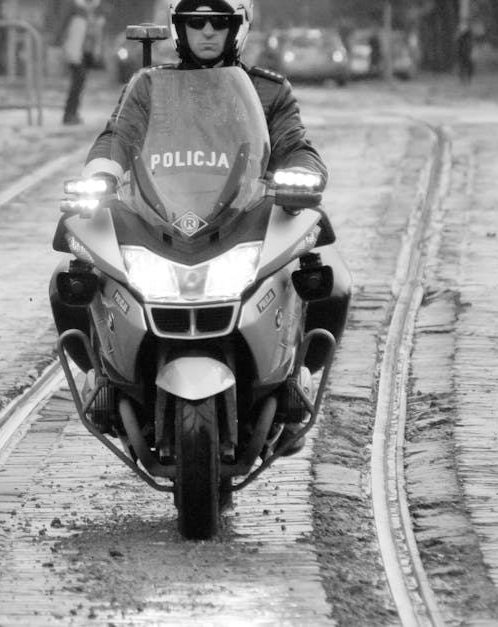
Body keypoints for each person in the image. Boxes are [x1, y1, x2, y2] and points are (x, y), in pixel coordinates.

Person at [51, 0, 351, 455]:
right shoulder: (149, 86)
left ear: (239, 27)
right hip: (161, 219)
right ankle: (104, 379)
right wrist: (102, 172)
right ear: (178, 28)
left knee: (331, 280)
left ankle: (296, 381)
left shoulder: (269, 91)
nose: (207, 31)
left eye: (219, 22)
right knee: (70, 280)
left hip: (243, 217)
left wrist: (304, 173)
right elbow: (118, 135)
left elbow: (295, 144)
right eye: (195, 22)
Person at [58, 0, 104, 126]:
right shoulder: (75, 7)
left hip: (87, 51)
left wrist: (97, 50)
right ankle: (69, 114)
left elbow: (97, 32)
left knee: (79, 83)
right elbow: (64, 27)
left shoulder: (96, 8)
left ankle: (73, 112)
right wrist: (61, 45)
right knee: (77, 81)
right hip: (75, 50)